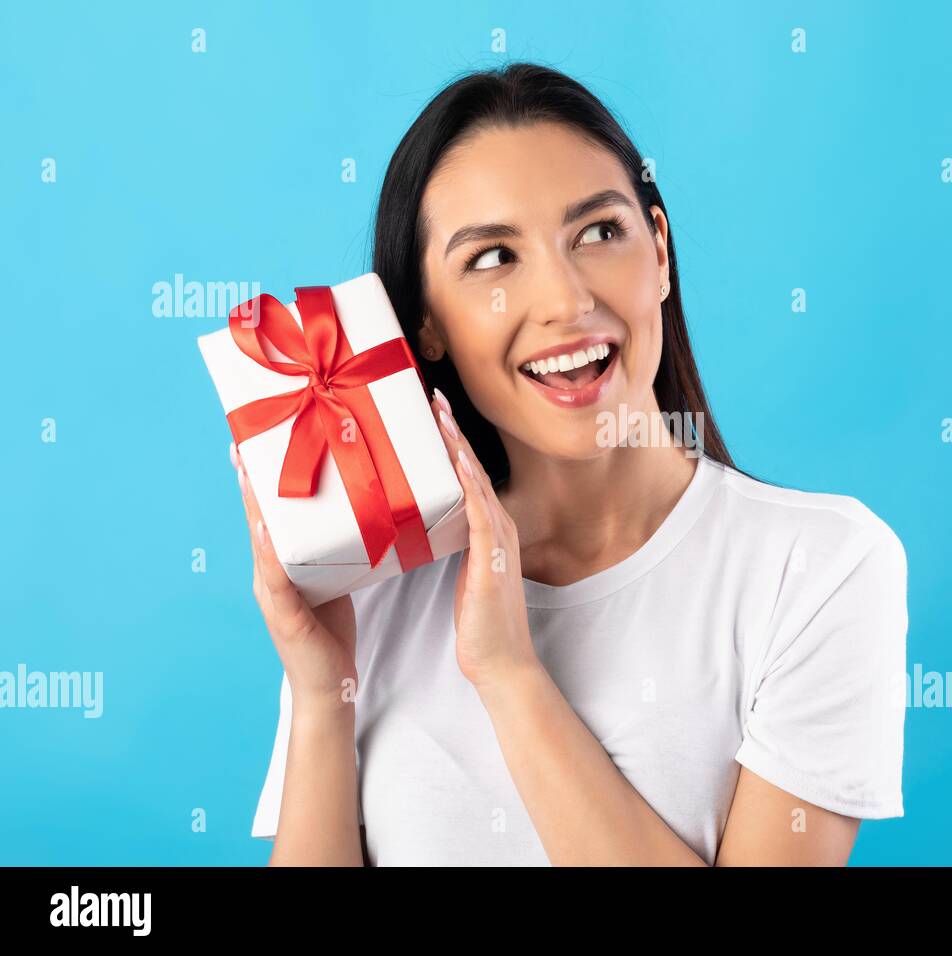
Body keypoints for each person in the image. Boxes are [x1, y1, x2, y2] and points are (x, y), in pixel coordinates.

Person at [235, 62, 908, 866]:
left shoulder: (817, 567)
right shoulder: (376, 585)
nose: (565, 300)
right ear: (424, 322)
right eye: (491, 258)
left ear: (659, 251)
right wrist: (321, 692)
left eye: (598, 233)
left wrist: (509, 673)